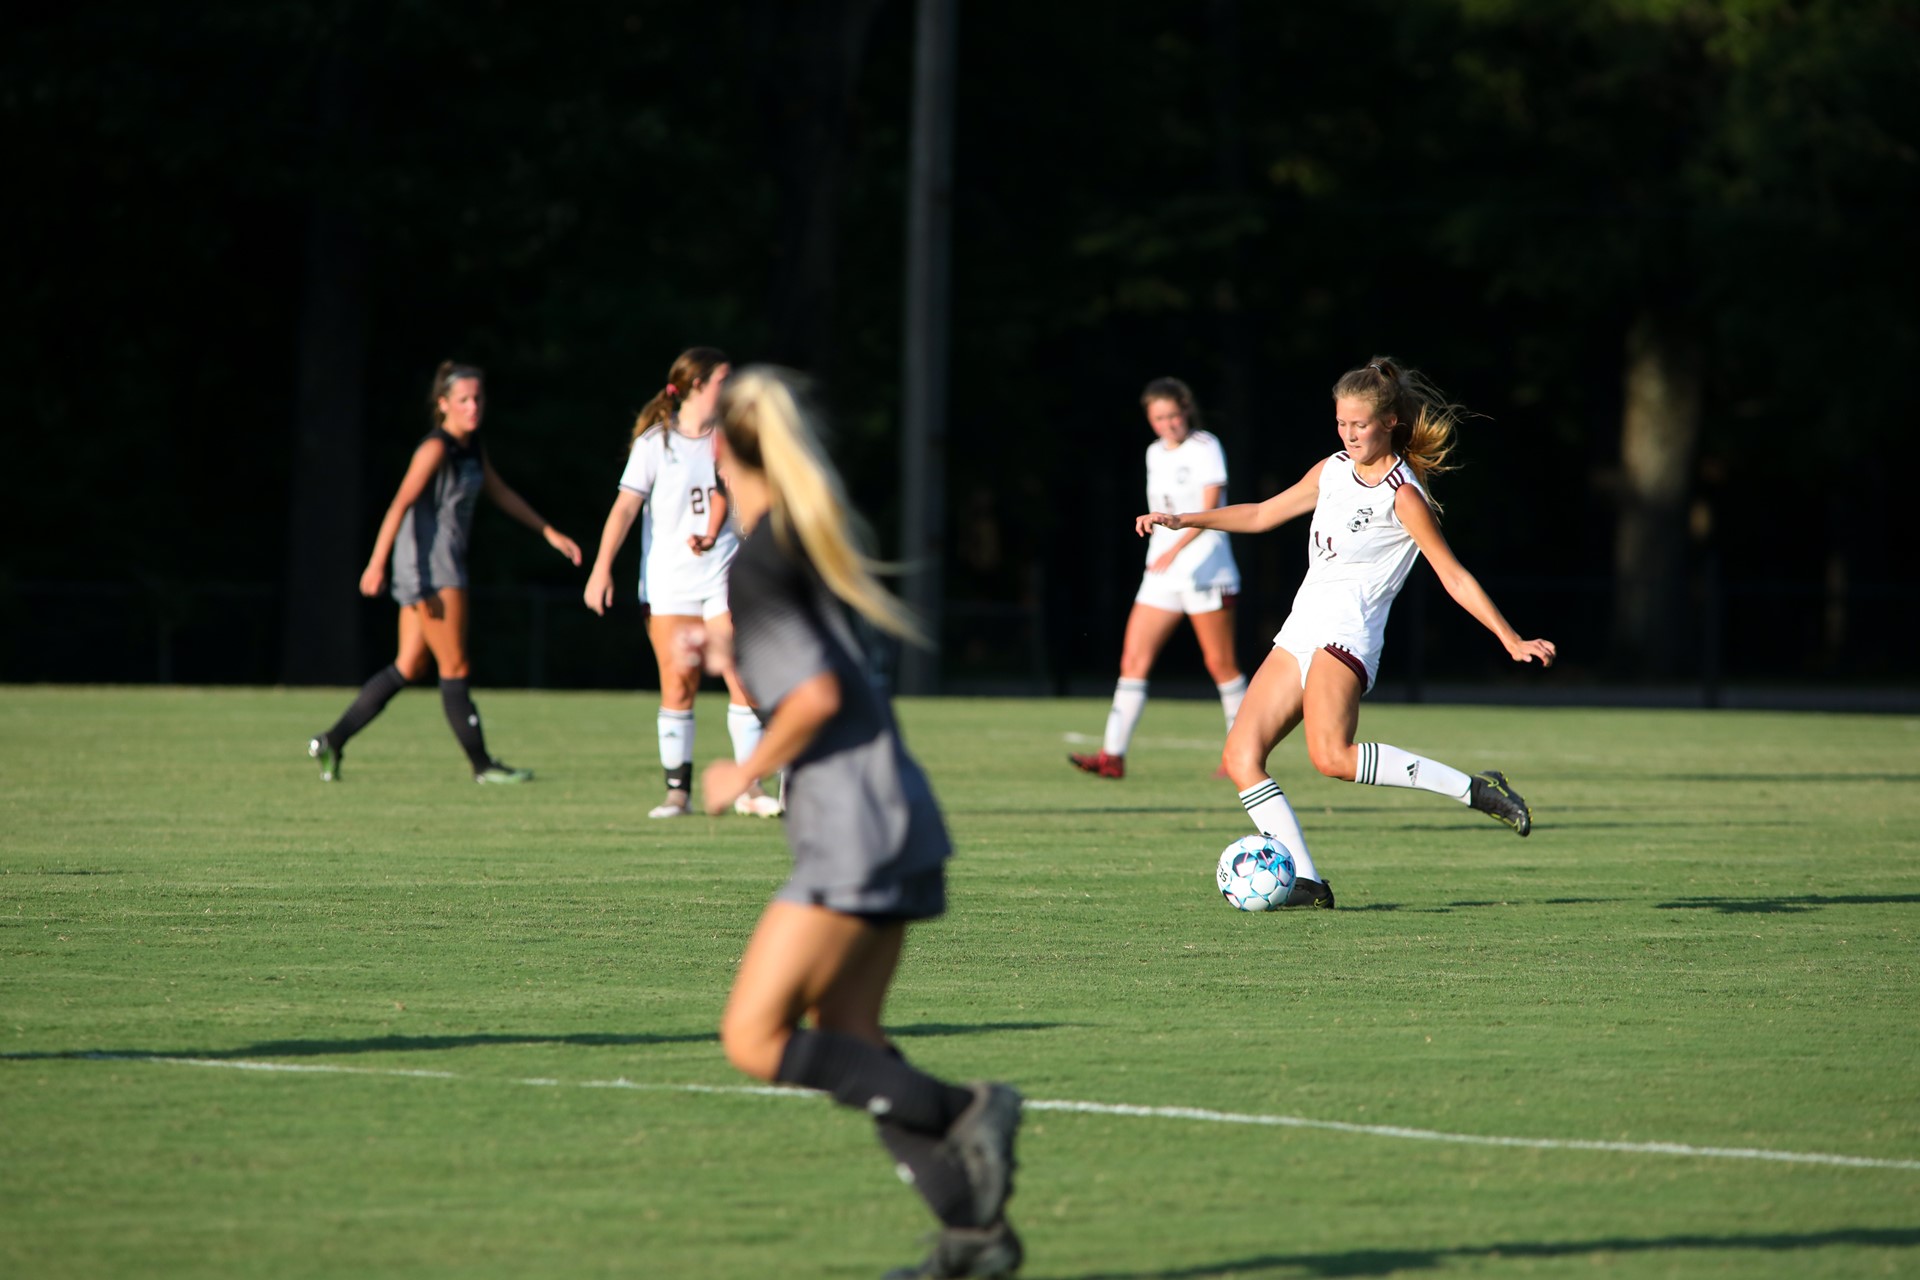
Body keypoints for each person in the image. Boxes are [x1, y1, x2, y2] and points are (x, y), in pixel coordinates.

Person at [694, 366, 1024, 1279]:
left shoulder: (760, 558)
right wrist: (732, 651)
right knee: (851, 1040)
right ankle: (973, 1238)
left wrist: (739, 774)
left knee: (753, 1039)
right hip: (896, 810)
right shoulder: (811, 533)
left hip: (851, 826)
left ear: (722, 449)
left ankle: (968, 1109)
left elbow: (817, 695)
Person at [1136, 356, 1556, 907]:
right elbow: (1262, 514)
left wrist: (1510, 637)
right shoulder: (1331, 469)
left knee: (1331, 758)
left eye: (1359, 424)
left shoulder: (1403, 495)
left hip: (1348, 633)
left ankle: (1476, 789)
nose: (1349, 434)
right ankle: (1309, 884)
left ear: (1388, 424)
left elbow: (1454, 576)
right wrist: (1184, 519)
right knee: (1241, 755)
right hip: (1301, 628)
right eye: (1341, 423)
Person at [308, 361, 582, 783]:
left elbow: (500, 491)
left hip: (441, 566)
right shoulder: (435, 448)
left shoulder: (471, 447)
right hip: (432, 571)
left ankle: (332, 740)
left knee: (409, 666)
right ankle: (483, 767)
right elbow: (400, 505)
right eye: (464, 400)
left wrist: (548, 532)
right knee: (454, 666)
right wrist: (377, 563)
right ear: (443, 404)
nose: (474, 407)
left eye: (478, 398)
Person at [581, 348, 781, 819]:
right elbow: (626, 507)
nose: (730, 388)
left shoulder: (732, 438)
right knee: (678, 685)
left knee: (742, 679)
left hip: (724, 579)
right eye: (722, 380)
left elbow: (740, 496)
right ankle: (677, 794)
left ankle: (748, 787)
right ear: (696, 386)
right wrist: (601, 567)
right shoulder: (657, 443)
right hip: (668, 583)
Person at [1069, 377, 1245, 781]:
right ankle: (1112, 755)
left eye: (1172, 415)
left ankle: (1241, 753)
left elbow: (1211, 509)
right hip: (1162, 573)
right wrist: (1162, 554)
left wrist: (1175, 547)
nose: (1167, 424)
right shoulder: (1153, 453)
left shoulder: (1206, 447)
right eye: (1158, 418)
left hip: (1206, 569)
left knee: (1220, 663)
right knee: (1133, 659)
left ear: (1186, 412)